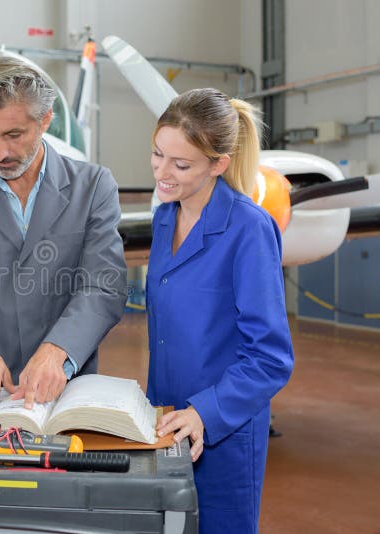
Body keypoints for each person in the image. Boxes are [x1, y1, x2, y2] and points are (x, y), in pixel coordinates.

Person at [0, 56, 127, 412]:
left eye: (14, 135)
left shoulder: (93, 187)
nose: (0, 152)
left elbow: (103, 285)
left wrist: (59, 348)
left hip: (66, 396)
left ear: (45, 121)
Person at [145, 88, 294, 533]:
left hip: (221, 433)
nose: (162, 172)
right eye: (157, 154)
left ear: (218, 164)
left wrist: (204, 414)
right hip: (166, 422)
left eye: (181, 164)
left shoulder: (249, 229)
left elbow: (270, 357)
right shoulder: (164, 218)